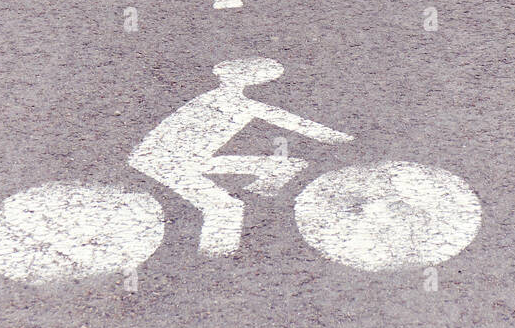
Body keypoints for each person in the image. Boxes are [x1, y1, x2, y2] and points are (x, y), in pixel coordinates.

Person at [129, 58, 352, 255]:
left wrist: (337, 138)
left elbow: (286, 119)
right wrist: (338, 139)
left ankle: (260, 192)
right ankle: (215, 257)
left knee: (288, 165)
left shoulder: (221, 99)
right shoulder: (230, 102)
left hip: (185, 158)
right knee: (226, 207)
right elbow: (288, 120)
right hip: (164, 161)